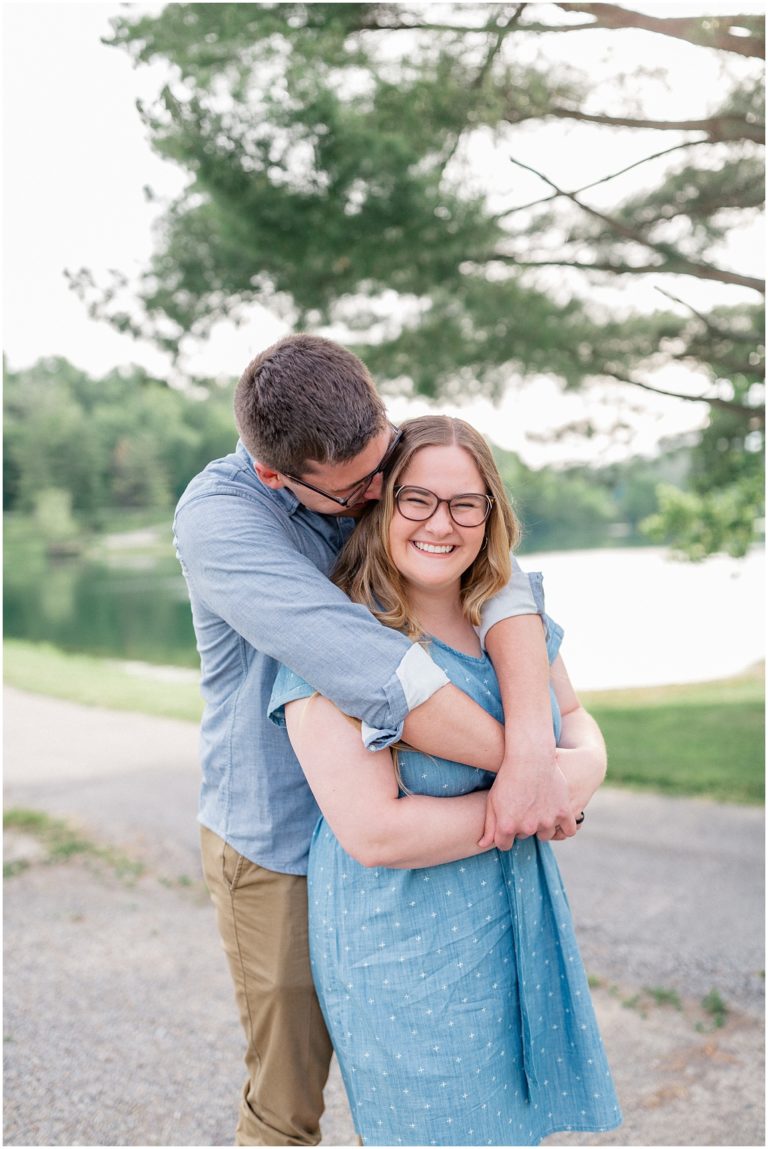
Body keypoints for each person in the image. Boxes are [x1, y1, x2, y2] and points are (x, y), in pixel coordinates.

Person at [173, 334, 585, 1146]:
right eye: (355, 488)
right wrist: (536, 768)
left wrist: (544, 757)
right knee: (289, 1099)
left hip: (418, 851)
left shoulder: (378, 458)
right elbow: (378, 674)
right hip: (281, 840)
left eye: (383, 462)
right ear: (275, 475)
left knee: (438, 1084)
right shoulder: (222, 521)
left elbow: (495, 574)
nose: (379, 493)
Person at [269, 415, 622, 1146]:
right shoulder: (337, 640)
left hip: (516, 919)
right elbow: (374, 831)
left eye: (466, 503)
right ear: (380, 503)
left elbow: (577, 719)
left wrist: (581, 767)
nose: (442, 522)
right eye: (417, 499)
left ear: (490, 512)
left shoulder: (509, 619)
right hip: (404, 946)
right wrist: (524, 802)